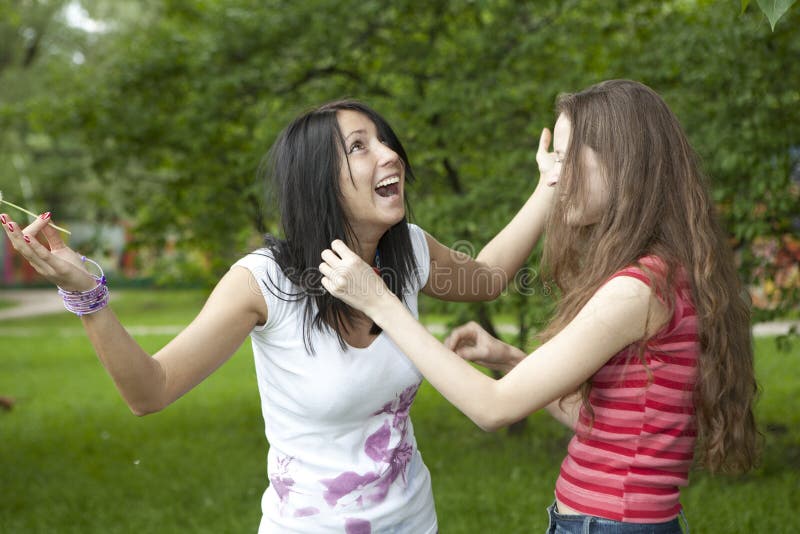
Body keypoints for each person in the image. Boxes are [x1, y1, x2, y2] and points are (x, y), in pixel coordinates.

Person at [1, 99, 557, 533]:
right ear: (320, 180)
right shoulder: (263, 281)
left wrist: (549, 186)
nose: (390, 155)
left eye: (385, 141)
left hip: (414, 521)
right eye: (360, 147)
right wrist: (86, 294)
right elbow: (151, 390)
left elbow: (486, 278)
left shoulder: (406, 250)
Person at [320, 80, 760, 533]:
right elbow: (601, 424)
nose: (555, 176)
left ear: (622, 164)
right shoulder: (667, 274)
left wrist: (380, 303)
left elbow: (492, 408)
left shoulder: (638, 290)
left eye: (566, 159)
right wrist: (511, 358)